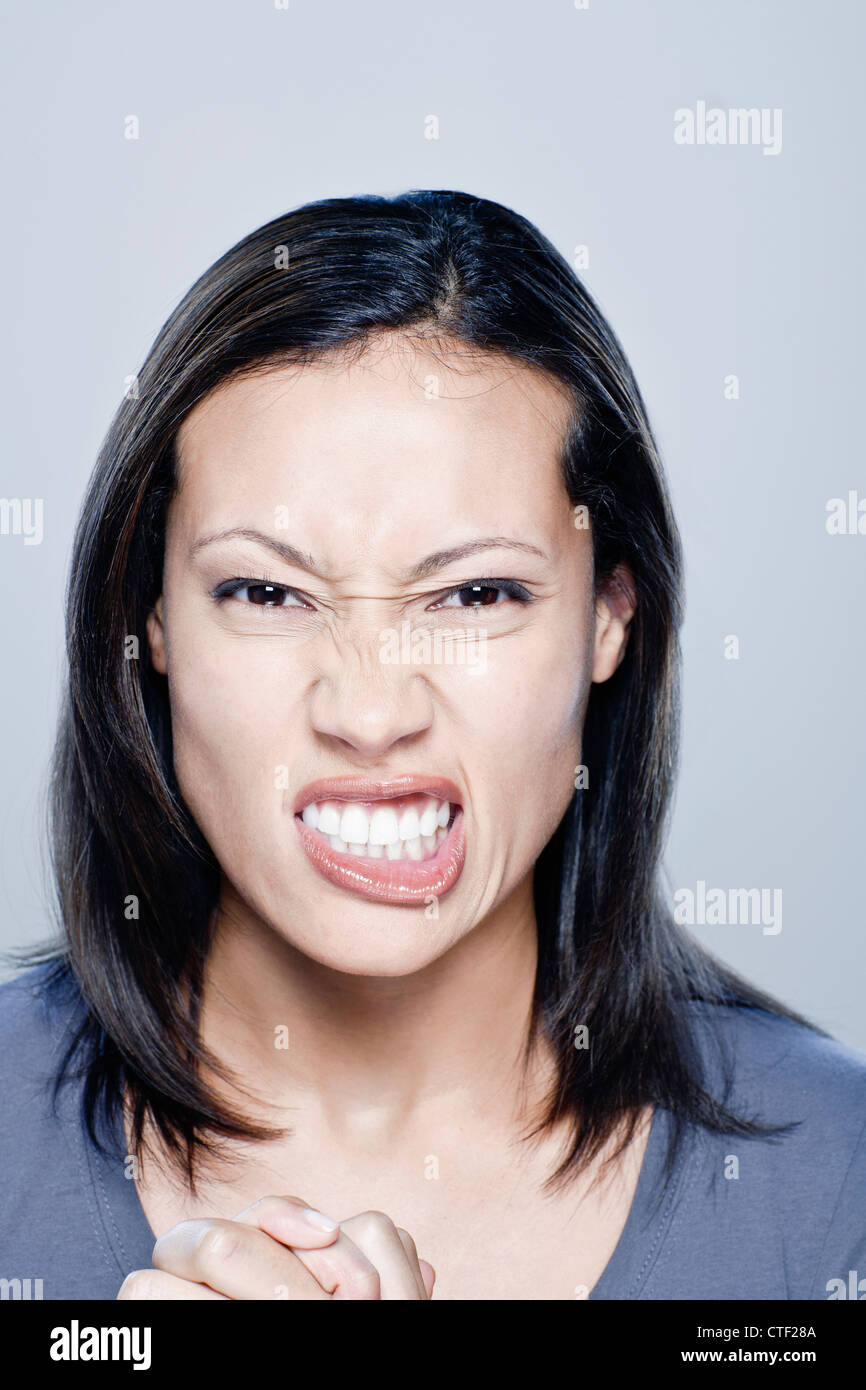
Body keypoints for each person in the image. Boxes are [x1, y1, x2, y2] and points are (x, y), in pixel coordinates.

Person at [1, 190, 864, 1301]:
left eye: (472, 593)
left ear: (608, 615)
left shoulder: (832, 1185)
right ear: (150, 618)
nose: (367, 712)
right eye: (265, 590)